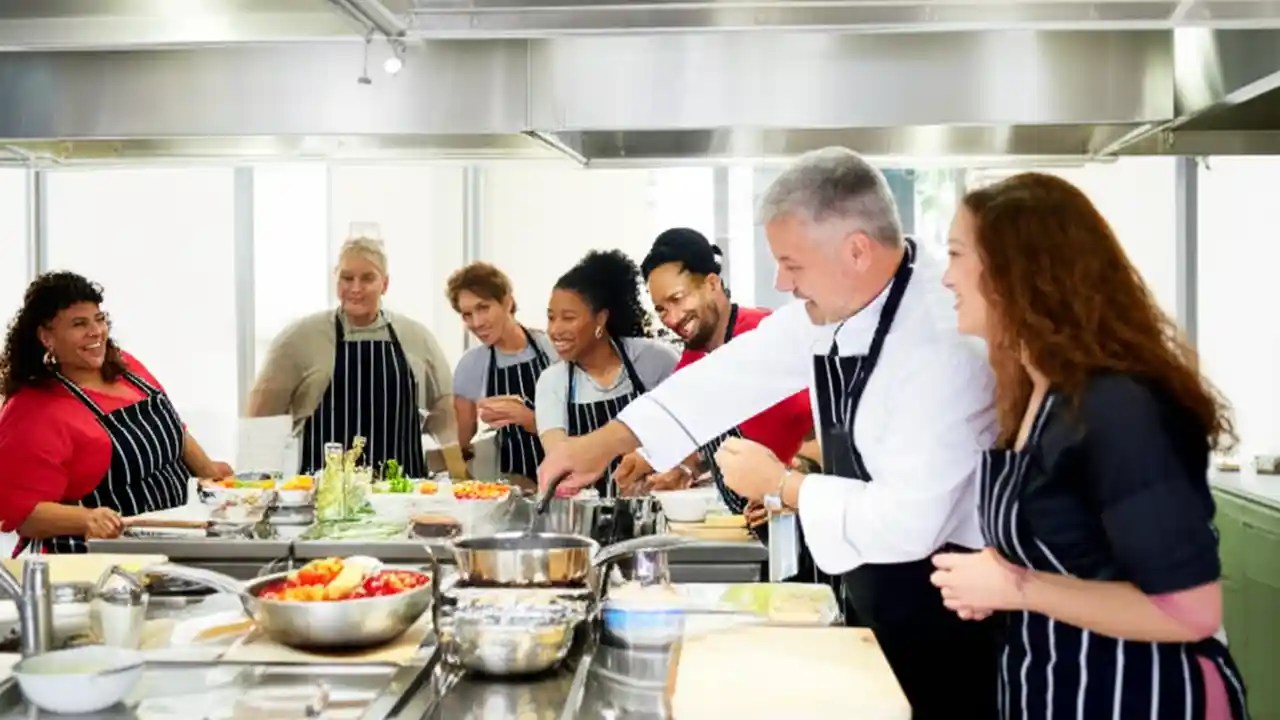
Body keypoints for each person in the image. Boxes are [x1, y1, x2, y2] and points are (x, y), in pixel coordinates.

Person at [538, 147, 999, 719]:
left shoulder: (941, 340)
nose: (781, 282)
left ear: (856, 250)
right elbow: (734, 371)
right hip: (873, 598)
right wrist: (601, 442)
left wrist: (783, 484)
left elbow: (908, 522)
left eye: (792, 263)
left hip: (945, 617)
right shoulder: (846, 303)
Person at [929, 173, 1248, 720]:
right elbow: (1074, 553)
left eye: (957, 255)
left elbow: (1191, 610)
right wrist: (998, 578)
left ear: (1015, 272)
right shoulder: (1036, 392)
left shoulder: (1121, 408)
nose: (945, 278)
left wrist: (1018, 586)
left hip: (1145, 697)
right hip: (1057, 691)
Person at [0, 272, 232, 554]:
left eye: (99, 319)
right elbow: (23, 515)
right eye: (78, 324)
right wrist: (87, 518)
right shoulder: (33, 411)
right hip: (98, 559)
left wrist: (214, 479)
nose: (96, 331)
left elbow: (175, 430)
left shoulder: (127, 368)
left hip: (177, 538)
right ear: (46, 337)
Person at [614, 228, 814, 538]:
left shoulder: (766, 336)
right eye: (661, 309)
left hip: (808, 518)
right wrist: (684, 468)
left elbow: (822, 428)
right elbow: (712, 441)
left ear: (712, 283)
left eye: (678, 299)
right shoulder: (690, 363)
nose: (671, 318)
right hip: (754, 530)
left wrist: (788, 478)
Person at [248, 237, 455, 477]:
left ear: (385, 284)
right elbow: (261, 420)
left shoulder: (418, 338)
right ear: (336, 281)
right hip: (325, 498)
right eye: (347, 278)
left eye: (368, 278)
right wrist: (254, 488)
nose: (356, 288)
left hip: (402, 496)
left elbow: (445, 416)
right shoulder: (299, 338)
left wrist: (459, 477)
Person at [535, 249, 679, 497]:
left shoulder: (654, 361)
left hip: (656, 508)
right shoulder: (552, 382)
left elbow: (683, 429)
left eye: (568, 318)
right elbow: (561, 458)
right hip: (588, 516)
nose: (555, 330)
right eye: (551, 318)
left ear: (600, 319)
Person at [447, 262, 558, 489]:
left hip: (567, 483)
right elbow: (458, 445)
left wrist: (529, 418)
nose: (476, 323)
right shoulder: (471, 365)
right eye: (467, 314)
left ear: (507, 302)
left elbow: (584, 428)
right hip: (516, 488)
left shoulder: (554, 351)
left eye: (483, 308)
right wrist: (460, 487)